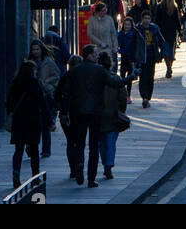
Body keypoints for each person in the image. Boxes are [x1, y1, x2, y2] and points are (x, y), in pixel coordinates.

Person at [55, 44, 132, 187]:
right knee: (93, 146)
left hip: (77, 112)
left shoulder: (74, 71)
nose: (98, 55)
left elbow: (65, 92)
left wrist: (64, 112)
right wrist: (131, 77)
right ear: (89, 55)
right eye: (95, 53)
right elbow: (115, 83)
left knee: (79, 142)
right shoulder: (99, 70)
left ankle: (79, 164)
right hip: (96, 113)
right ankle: (91, 179)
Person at [5, 59, 49, 188]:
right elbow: (42, 103)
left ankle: (16, 173)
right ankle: (35, 177)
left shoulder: (15, 83)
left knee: (18, 149)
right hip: (33, 120)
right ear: (32, 71)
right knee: (34, 150)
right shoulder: (35, 84)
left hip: (18, 121)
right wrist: (49, 120)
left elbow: (8, 103)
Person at [97, 51, 129, 180]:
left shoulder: (96, 78)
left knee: (101, 143)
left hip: (98, 115)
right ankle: (108, 166)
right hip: (112, 115)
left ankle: (106, 163)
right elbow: (123, 97)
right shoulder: (116, 78)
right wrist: (121, 111)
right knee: (111, 143)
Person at [128, 10, 169, 107]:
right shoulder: (137, 29)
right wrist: (133, 57)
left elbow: (162, 42)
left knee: (150, 77)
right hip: (141, 57)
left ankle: (147, 97)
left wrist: (161, 54)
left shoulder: (154, 29)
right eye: (145, 18)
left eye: (148, 18)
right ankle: (144, 97)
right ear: (142, 19)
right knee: (142, 77)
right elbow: (133, 44)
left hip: (152, 56)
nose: (147, 20)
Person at [29, 39, 62, 158]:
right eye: (33, 49)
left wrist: (46, 83)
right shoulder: (28, 62)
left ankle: (46, 149)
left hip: (45, 95)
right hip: (32, 96)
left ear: (41, 50)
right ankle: (30, 146)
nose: (35, 52)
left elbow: (56, 76)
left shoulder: (49, 62)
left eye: (37, 49)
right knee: (32, 124)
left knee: (45, 124)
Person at [54, 55, 82, 180]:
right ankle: (79, 165)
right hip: (80, 113)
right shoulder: (82, 79)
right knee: (79, 141)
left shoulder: (64, 77)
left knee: (70, 142)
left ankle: (73, 169)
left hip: (66, 115)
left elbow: (57, 96)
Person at [155, 0, 182, 78]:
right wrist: (179, 30)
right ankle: (169, 66)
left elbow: (157, 20)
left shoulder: (160, 6)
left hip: (163, 31)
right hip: (172, 31)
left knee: (165, 49)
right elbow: (177, 20)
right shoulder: (174, 7)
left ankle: (168, 67)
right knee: (171, 49)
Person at [87, 1, 119, 66]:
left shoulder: (109, 19)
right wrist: (100, 43)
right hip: (96, 48)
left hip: (108, 47)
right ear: (98, 12)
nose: (105, 11)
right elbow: (90, 34)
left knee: (108, 65)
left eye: (106, 9)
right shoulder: (91, 20)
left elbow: (113, 34)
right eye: (103, 10)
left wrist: (115, 46)